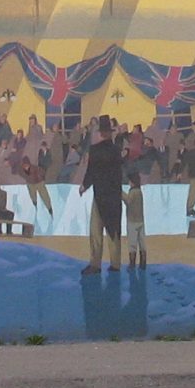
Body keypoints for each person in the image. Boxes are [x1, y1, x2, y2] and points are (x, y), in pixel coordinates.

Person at [80, 117, 126, 275]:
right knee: (113, 230)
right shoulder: (116, 151)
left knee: (96, 231)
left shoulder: (95, 150)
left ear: (100, 133)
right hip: (113, 195)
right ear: (110, 133)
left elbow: (91, 172)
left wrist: (84, 186)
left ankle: (95, 264)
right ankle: (115, 264)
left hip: (100, 195)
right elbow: (118, 175)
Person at [123, 162, 149, 270]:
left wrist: (121, 193)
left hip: (132, 221)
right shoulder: (139, 191)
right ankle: (143, 262)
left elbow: (128, 201)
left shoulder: (133, 192)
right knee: (142, 242)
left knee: (132, 243)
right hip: (140, 220)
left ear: (132, 182)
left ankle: (132, 263)